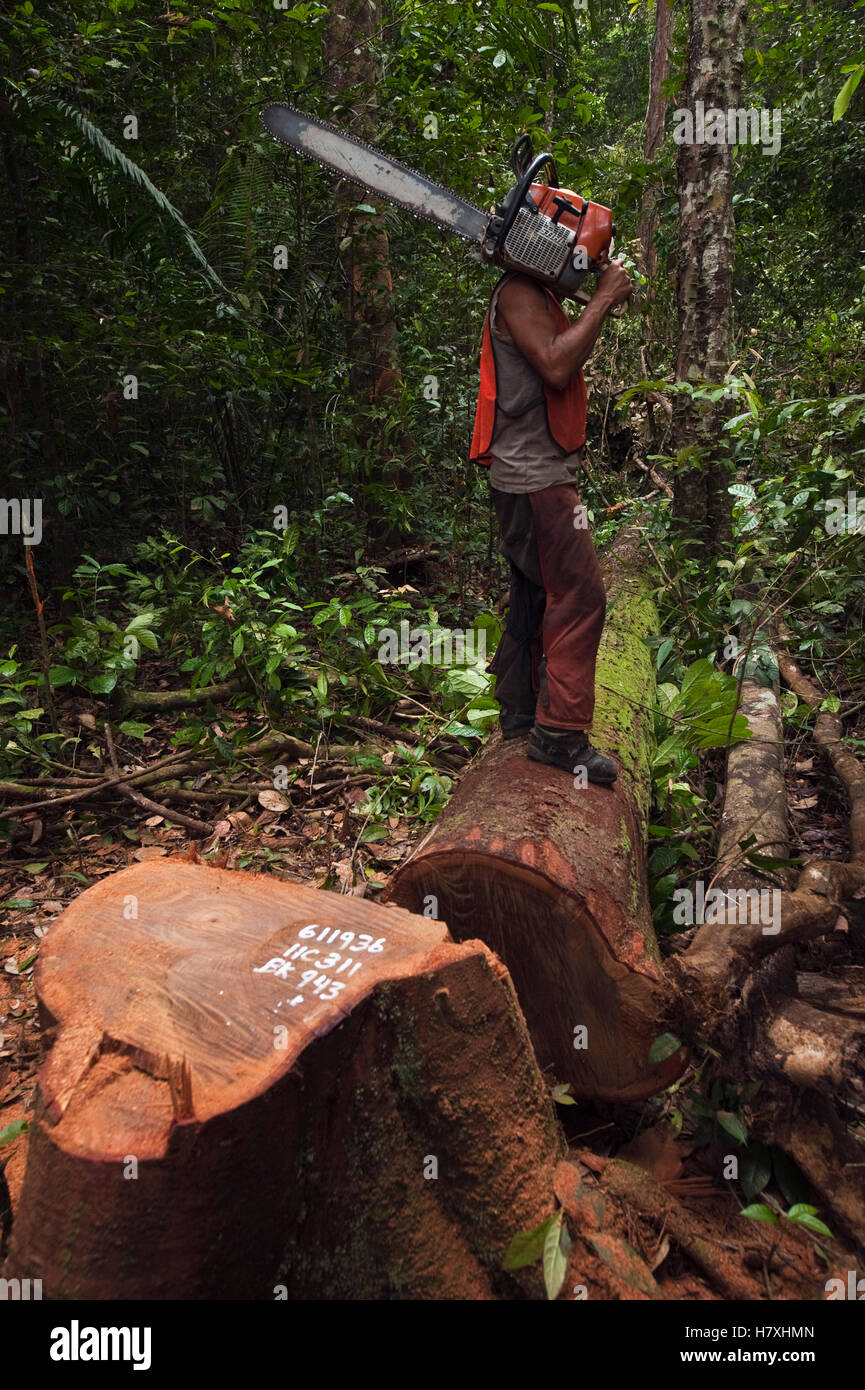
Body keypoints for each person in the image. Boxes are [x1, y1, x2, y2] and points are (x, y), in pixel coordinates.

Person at [470, 257, 633, 785]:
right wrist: (603, 298)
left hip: (535, 475)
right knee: (580, 596)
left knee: (538, 590)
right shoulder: (519, 292)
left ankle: (520, 708)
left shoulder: (537, 294)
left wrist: (598, 299)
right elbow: (557, 365)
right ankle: (560, 737)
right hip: (535, 478)